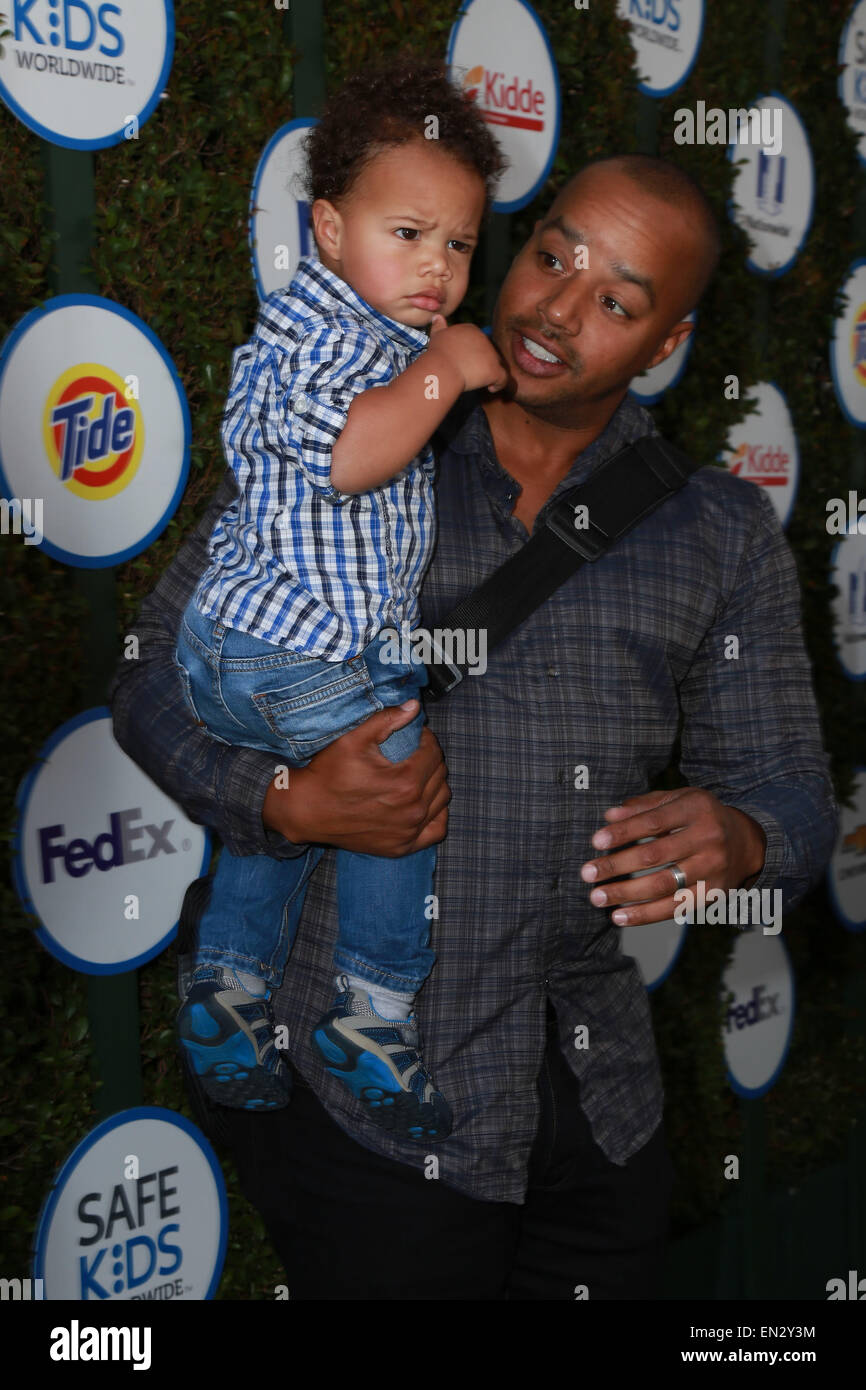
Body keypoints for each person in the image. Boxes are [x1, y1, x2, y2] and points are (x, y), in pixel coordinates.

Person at [111, 143, 838, 1299]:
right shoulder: (366, 430)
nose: (555, 309)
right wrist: (286, 801)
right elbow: (152, 680)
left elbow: (793, 788)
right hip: (365, 1110)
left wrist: (741, 837)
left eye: (614, 301)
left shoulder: (717, 534)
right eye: (552, 256)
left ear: (664, 346)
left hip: (595, 1105)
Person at [172, 60, 507, 1138]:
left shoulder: (369, 338)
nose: (437, 268)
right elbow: (352, 457)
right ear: (325, 230)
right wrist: (444, 371)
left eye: (457, 244)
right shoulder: (324, 331)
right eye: (405, 234)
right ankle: (372, 1012)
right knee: (396, 794)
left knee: (275, 829)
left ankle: (227, 997)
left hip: (240, 664)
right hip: (288, 655)